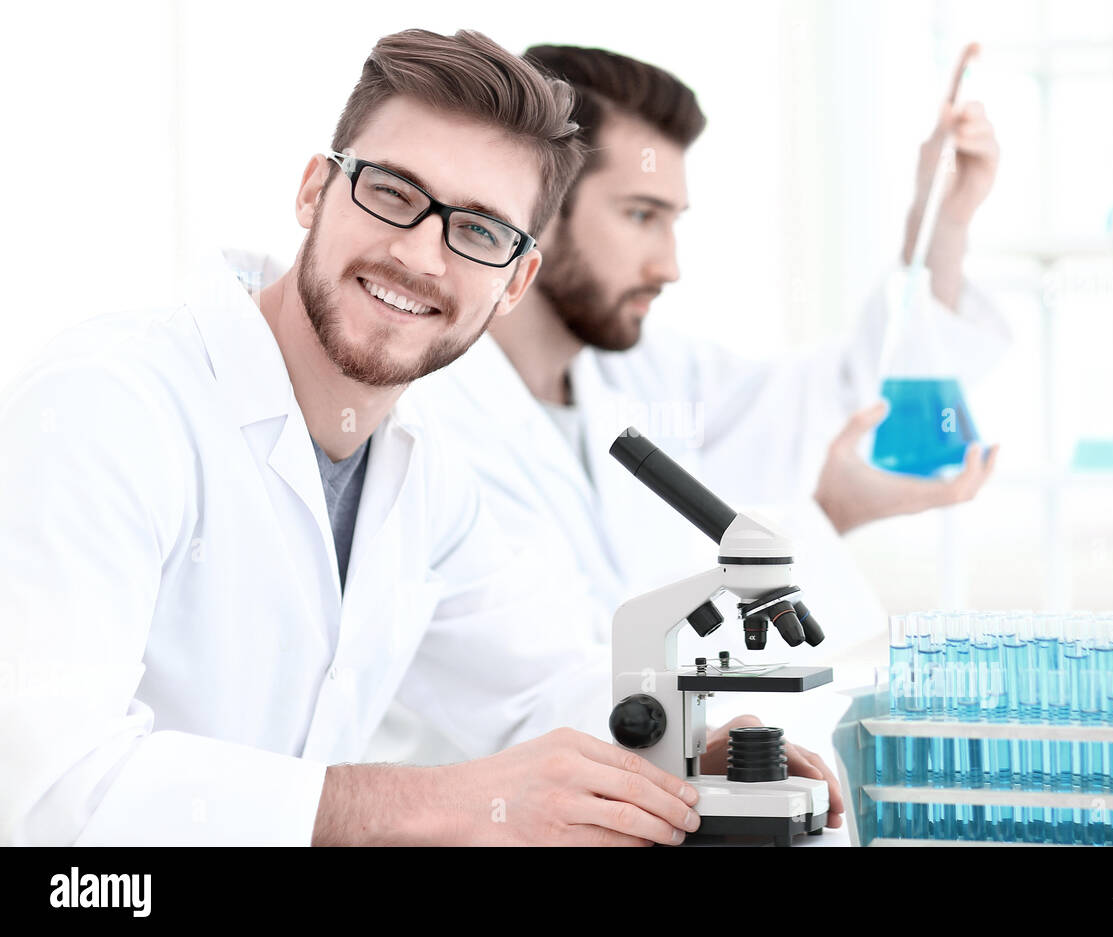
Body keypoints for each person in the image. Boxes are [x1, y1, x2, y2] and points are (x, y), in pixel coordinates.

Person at [0, 27, 840, 847]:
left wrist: (696, 751)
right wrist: (435, 804)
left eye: (478, 231)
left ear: (517, 281)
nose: (420, 256)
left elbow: (537, 687)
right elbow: (52, 792)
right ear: (311, 191)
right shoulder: (107, 404)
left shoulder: (426, 469)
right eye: (393, 193)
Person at [382, 44, 1008, 761]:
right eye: (642, 215)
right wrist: (828, 514)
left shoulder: (645, 371)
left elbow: (850, 393)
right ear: (538, 208)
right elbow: (565, 687)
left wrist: (939, 221)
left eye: (674, 220)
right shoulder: (428, 419)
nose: (670, 265)